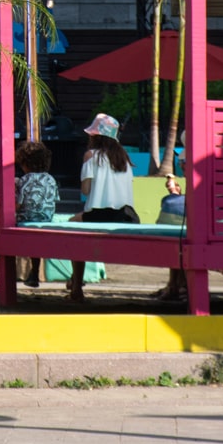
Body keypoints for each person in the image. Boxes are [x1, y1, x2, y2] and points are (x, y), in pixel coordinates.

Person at [68, 114, 137, 303]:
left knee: (72, 225)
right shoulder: (125, 158)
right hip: (127, 216)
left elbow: (85, 190)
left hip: (100, 214)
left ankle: (76, 285)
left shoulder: (91, 156)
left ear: (96, 136)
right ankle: (75, 282)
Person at [14, 141, 58, 287]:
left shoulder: (24, 180)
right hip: (46, 219)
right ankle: (35, 272)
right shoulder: (51, 179)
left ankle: (11, 274)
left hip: (26, 220)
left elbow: (18, 205)